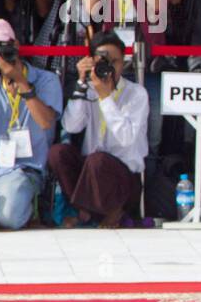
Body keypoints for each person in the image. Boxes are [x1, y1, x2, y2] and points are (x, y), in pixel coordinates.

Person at [0, 19, 63, 229]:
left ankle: (18, 205)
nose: (0, 54)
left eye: (4, 47)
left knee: (8, 217)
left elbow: (46, 122)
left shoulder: (46, 80)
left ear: (16, 45)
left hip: (26, 169)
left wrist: (21, 81)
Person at [50, 30, 148, 227]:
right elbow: (71, 126)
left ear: (124, 62)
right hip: (92, 172)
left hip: (124, 177)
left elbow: (126, 138)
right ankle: (84, 210)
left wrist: (105, 98)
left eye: (115, 61)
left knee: (98, 160)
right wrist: (80, 83)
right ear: (92, 61)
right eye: (103, 60)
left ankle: (113, 212)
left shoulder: (137, 93)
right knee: (58, 153)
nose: (109, 67)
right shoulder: (89, 88)